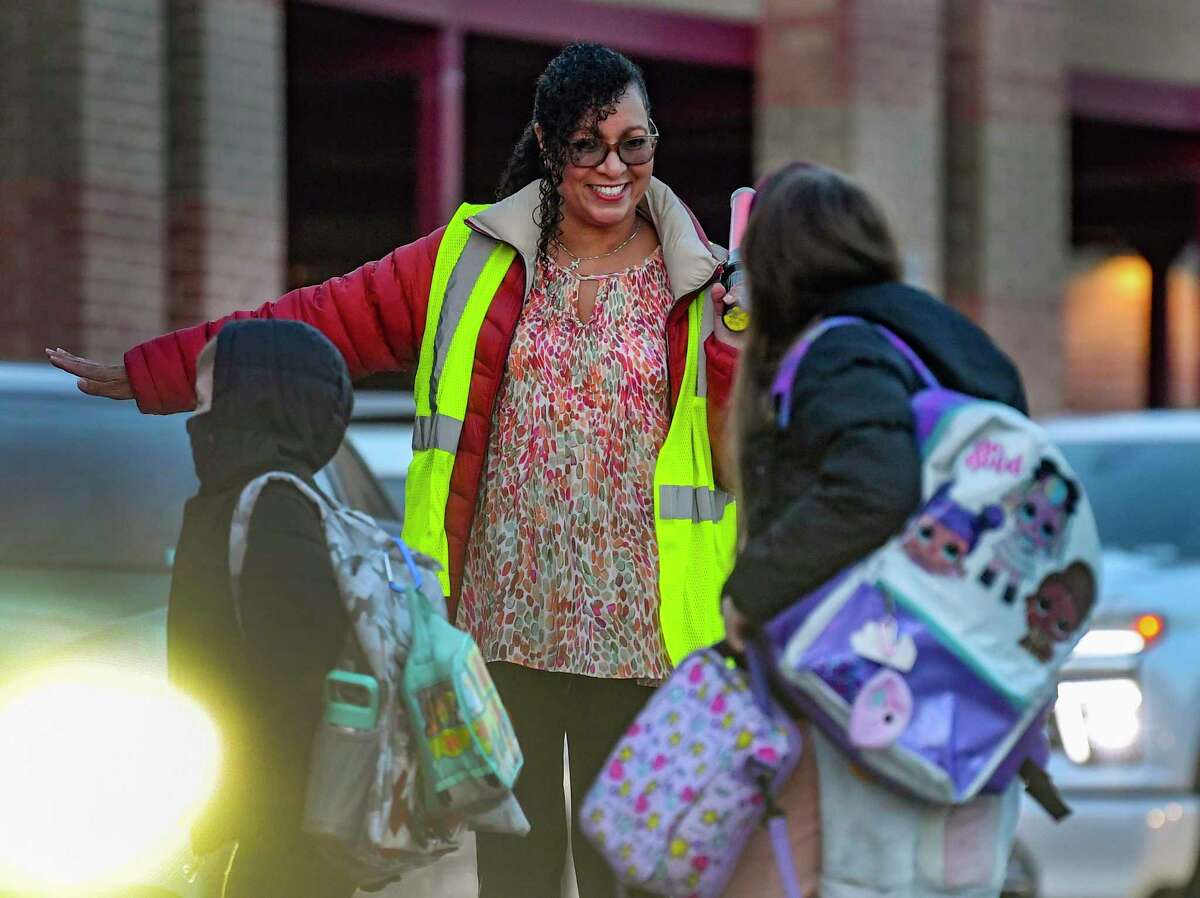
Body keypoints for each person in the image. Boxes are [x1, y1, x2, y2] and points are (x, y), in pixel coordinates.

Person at [48, 42, 741, 898]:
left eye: (633, 144)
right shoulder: (469, 260)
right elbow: (316, 321)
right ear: (548, 143)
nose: (613, 167)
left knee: (628, 876)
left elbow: (749, 444)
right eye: (588, 145)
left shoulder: (709, 285)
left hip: (645, 640)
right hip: (497, 632)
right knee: (515, 879)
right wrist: (156, 368)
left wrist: (739, 340)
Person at [719, 163, 1028, 897]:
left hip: (872, 689)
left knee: (853, 878)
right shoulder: (949, 340)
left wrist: (751, 592)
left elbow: (872, 487)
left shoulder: (840, 349)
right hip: (974, 689)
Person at [168, 319, 356, 898]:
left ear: (258, 400)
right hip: (253, 813)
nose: (197, 412)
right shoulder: (238, 498)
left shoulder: (274, 506)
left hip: (283, 828)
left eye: (209, 393)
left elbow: (293, 686)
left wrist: (233, 808)